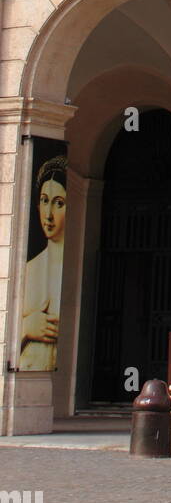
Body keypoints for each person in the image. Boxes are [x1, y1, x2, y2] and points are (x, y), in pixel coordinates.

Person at [19, 154, 67, 371]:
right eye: (44, 200)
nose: (48, 214)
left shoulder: (72, 273)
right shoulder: (28, 270)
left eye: (58, 203)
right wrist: (26, 327)